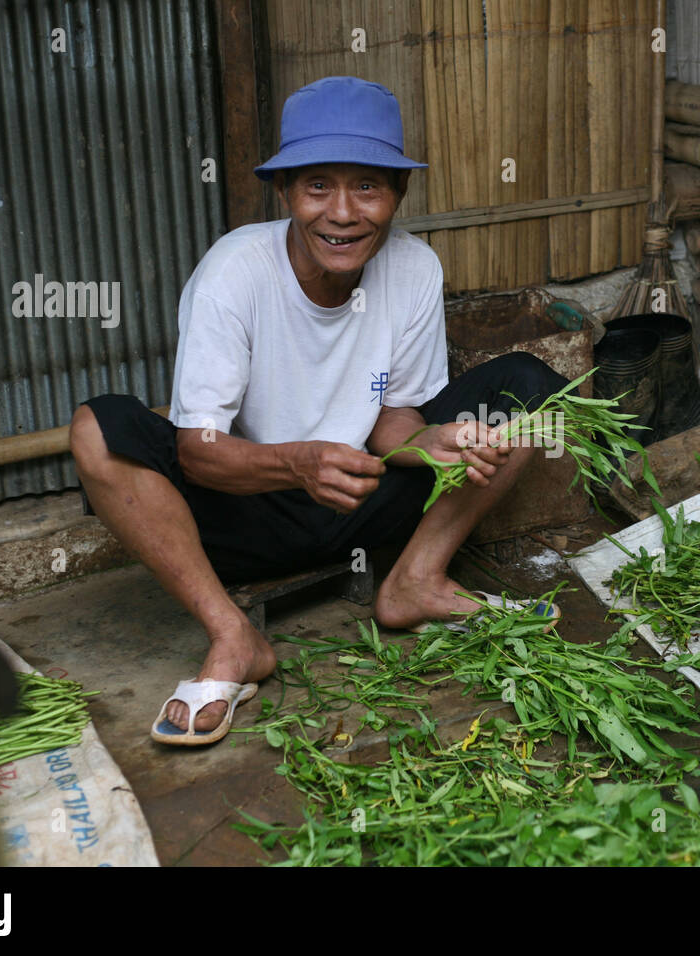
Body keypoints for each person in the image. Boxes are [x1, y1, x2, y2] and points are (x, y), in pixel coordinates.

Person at [69, 76, 565, 745]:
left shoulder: (414, 268)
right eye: (318, 186)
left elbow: (395, 424)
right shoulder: (234, 273)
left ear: (398, 195)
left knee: (528, 389)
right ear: (285, 194)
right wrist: (298, 463)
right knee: (99, 427)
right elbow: (198, 451)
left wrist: (439, 441)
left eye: (367, 185)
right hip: (253, 509)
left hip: (367, 494)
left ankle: (415, 580)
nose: (343, 212)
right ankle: (234, 636)